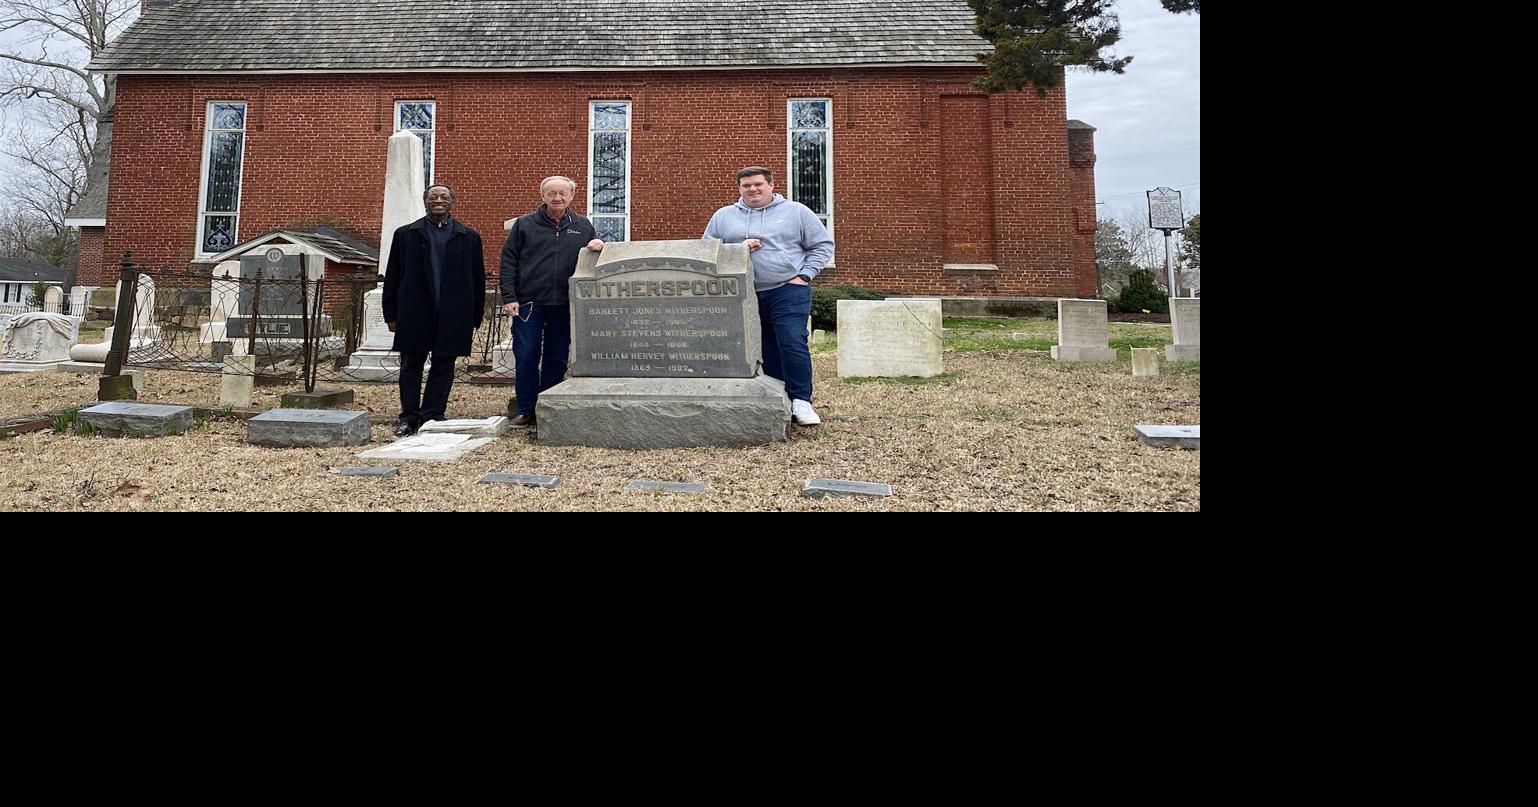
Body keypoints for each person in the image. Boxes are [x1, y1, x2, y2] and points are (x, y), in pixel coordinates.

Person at [702, 166, 834, 425]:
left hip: (787, 288)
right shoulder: (724, 216)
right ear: (739, 189)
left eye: (758, 184)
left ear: (771, 185)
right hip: (743, 293)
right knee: (764, 348)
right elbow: (708, 250)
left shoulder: (796, 212)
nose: (753, 189)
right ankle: (780, 396)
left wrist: (804, 275)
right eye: (746, 185)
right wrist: (738, 249)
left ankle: (802, 401)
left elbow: (822, 245)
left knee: (792, 341)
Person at [499, 175, 604, 427]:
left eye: (562, 193)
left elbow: (592, 258)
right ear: (542, 196)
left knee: (556, 357)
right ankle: (526, 408)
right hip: (529, 304)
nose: (557, 198)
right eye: (551, 193)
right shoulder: (525, 225)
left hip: (564, 304)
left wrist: (600, 244)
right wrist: (509, 296)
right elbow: (509, 261)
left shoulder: (582, 224)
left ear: (571, 196)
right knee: (526, 355)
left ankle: (549, 407)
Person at [382, 183, 486, 437]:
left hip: (453, 314)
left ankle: (433, 415)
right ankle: (408, 417)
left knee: (444, 366)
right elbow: (393, 276)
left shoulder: (468, 237)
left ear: (453, 203)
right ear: (425, 202)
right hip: (415, 312)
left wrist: (475, 316)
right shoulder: (406, 234)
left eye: (443, 197)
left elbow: (477, 279)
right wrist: (391, 314)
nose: (438, 200)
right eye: (432, 197)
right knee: (411, 365)